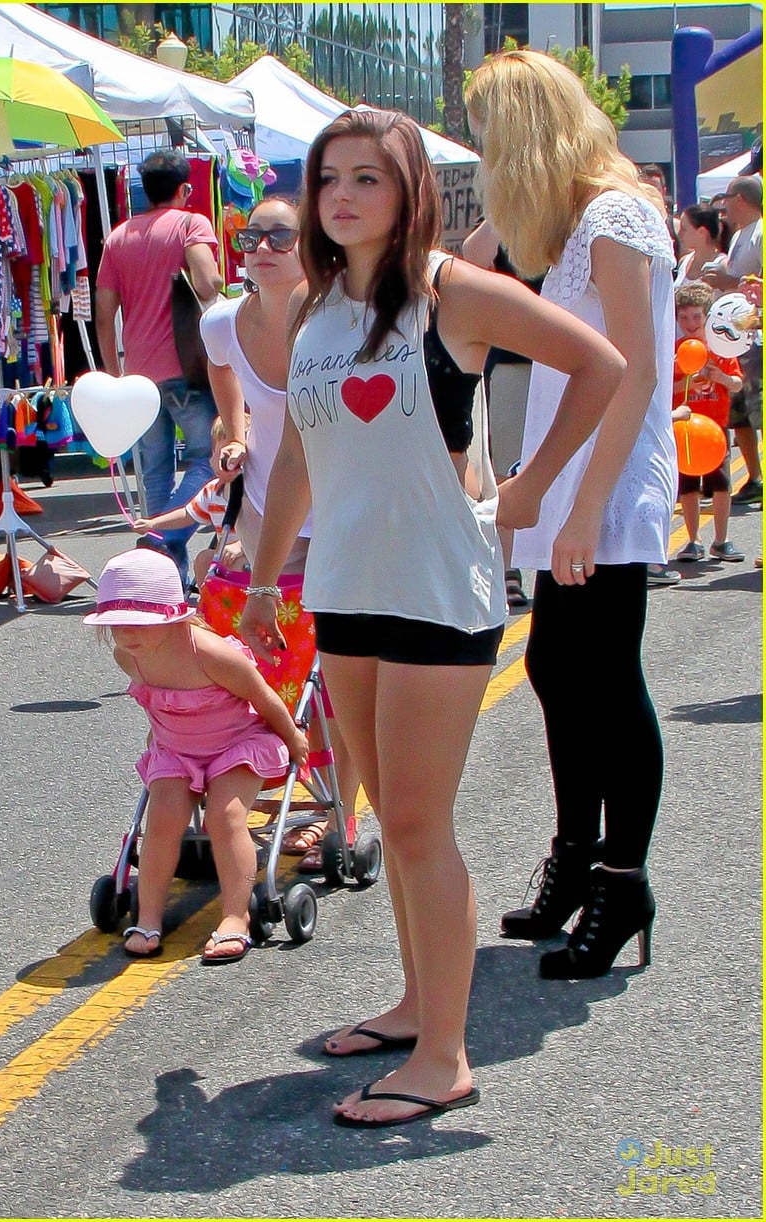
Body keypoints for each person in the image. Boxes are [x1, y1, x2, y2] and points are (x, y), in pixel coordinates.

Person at [238, 107, 624, 1127]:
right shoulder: (313, 312)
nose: (345, 197)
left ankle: (446, 1058)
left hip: (436, 592)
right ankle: (416, 1006)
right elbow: (292, 461)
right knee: (385, 823)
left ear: (409, 193)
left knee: (415, 822)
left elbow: (601, 364)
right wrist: (265, 581)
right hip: (345, 595)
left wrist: (537, 482)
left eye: (370, 177)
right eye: (331, 179)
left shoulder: (449, 293)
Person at [466, 50, 678, 981]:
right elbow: (470, 265)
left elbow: (632, 369)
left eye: (487, 137)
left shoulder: (618, 214)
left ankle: (621, 879)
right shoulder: (581, 218)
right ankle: (578, 861)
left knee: (602, 676)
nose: (482, 158)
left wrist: (586, 505)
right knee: (557, 667)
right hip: (572, 484)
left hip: (609, 483)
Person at [200, 196, 359, 869]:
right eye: (250, 235)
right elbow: (224, 389)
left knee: (341, 670)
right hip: (271, 503)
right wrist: (232, 439)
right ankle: (276, 787)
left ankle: (340, 817)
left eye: (279, 236)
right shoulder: (221, 323)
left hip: (344, 504)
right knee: (278, 655)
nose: (262, 247)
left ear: (307, 246)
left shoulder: (330, 320)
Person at [83, 548, 308, 962]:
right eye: (116, 624)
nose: (126, 634)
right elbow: (158, 703)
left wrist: (293, 737)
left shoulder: (208, 653)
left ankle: (236, 916)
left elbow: (263, 696)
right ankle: (148, 915)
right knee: (164, 814)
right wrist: (160, 741)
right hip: (178, 749)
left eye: (139, 623)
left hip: (237, 743)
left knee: (225, 813)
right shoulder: (127, 656)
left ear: (173, 615)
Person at [95, 151, 224, 590]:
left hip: (138, 376)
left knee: (155, 473)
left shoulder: (117, 238)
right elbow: (209, 283)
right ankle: (158, 541)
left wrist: (115, 372)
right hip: (186, 368)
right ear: (185, 189)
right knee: (209, 460)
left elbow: (103, 310)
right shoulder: (191, 224)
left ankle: (166, 577)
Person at [462, 217, 544, 607]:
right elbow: (473, 255)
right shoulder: (504, 221)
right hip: (513, 361)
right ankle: (507, 567)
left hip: (563, 360)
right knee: (506, 467)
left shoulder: (569, 214)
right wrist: (504, 208)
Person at [672, 284, 743, 563]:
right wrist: (682, 382)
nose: (690, 324)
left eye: (696, 317)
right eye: (684, 318)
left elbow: (736, 383)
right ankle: (693, 540)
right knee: (689, 487)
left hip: (716, 427)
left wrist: (720, 377)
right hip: (687, 426)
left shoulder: (721, 347)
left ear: (707, 317)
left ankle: (721, 540)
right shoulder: (676, 352)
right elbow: (663, 388)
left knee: (722, 484)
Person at [703, 176, 763, 504]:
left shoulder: (761, 232)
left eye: (727, 199)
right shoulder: (740, 235)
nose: (723, 206)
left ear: (739, 199)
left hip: (757, 335)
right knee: (739, 414)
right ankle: (755, 477)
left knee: (759, 409)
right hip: (736, 339)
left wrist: (731, 280)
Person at [131, 417, 243, 588]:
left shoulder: (255, 491)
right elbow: (187, 514)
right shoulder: (213, 490)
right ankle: (209, 605)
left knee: (239, 564)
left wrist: (241, 546)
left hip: (255, 553)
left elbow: (270, 528)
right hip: (224, 554)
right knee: (203, 559)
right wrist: (153, 523)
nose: (227, 464)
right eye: (220, 457)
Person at [673, 204, 729, 294]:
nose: (679, 234)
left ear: (701, 232)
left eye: (684, 229)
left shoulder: (722, 265)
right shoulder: (684, 261)